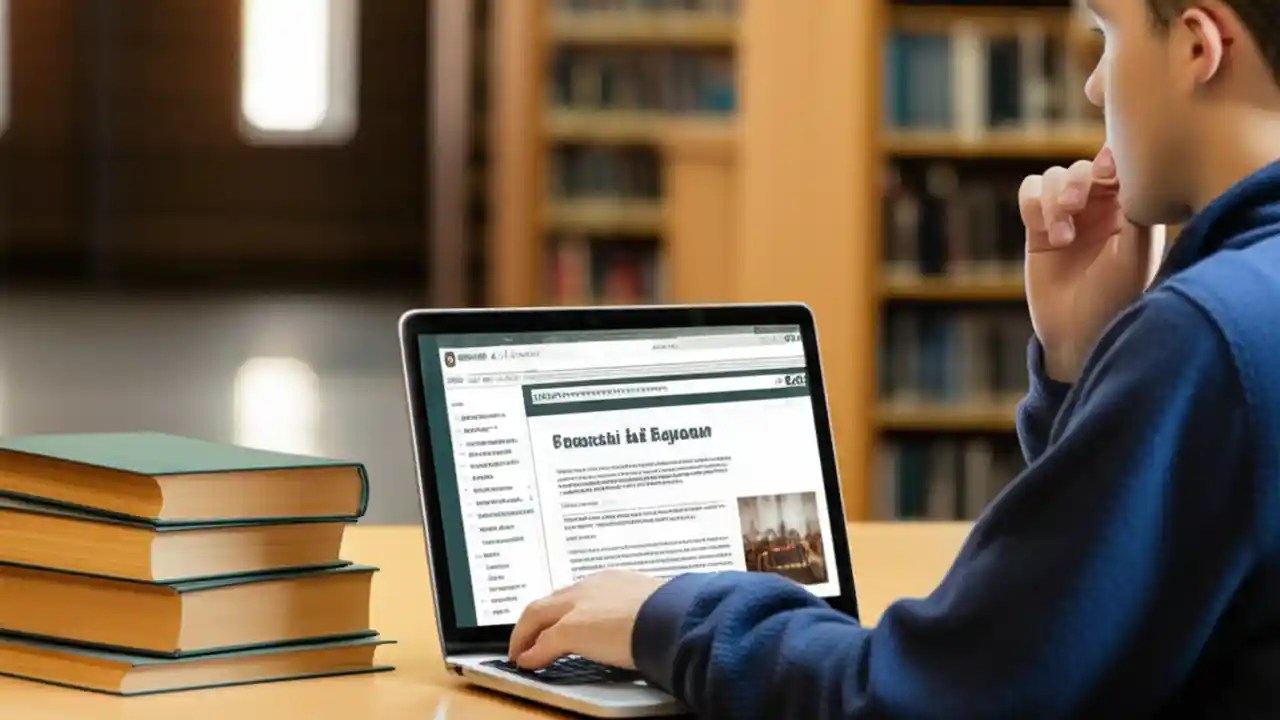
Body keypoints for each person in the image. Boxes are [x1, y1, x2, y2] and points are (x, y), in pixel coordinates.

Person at [508, 0, 1280, 715]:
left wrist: (668, 616)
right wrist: (1084, 360)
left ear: (1196, 45)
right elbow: (1121, 623)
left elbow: (927, 699)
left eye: (1106, 36)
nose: (1093, 83)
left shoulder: (1209, 334)